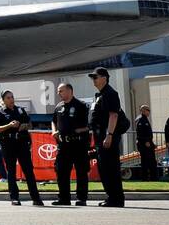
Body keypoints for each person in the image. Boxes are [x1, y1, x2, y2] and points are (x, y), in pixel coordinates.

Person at [0, 90, 42, 205]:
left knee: (28, 170)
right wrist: (9, 125)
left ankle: (36, 198)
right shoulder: (0, 112)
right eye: (8, 98)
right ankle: (14, 198)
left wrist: (25, 126)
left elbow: (30, 124)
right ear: (4, 100)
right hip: (8, 144)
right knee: (11, 171)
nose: (11, 100)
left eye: (12, 97)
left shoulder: (20, 110)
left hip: (21, 142)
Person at [87, 67, 126, 207]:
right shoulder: (100, 95)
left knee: (111, 169)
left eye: (95, 77)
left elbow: (113, 115)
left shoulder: (110, 93)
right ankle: (111, 197)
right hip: (100, 138)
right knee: (104, 169)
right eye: (93, 78)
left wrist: (109, 135)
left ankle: (116, 199)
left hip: (108, 138)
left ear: (104, 78)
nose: (94, 80)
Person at [51, 82, 91, 206]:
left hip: (78, 144)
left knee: (81, 171)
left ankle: (81, 198)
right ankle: (64, 198)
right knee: (61, 171)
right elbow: (53, 121)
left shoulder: (81, 106)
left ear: (70, 91)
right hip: (64, 145)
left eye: (61, 91)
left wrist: (79, 130)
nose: (59, 93)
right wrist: (54, 131)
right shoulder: (59, 107)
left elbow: (89, 125)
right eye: (58, 91)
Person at [134, 105, 158, 181]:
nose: (149, 112)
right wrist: (146, 141)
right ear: (143, 110)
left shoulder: (145, 119)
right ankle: (146, 178)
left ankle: (152, 177)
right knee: (146, 162)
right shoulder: (141, 119)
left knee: (151, 161)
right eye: (148, 110)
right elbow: (140, 133)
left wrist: (152, 144)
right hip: (144, 144)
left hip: (148, 143)